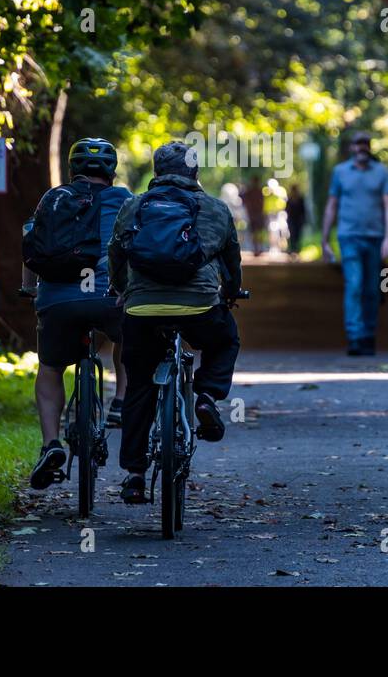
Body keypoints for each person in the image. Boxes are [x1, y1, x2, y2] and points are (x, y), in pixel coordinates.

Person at [108, 141, 243, 504]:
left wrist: (122, 290)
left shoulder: (133, 206)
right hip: (199, 307)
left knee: (138, 385)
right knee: (225, 338)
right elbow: (232, 261)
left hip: (142, 311)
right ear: (194, 172)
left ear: (156, 170)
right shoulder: (215, 208)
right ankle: (206, 396)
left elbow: (116, 254)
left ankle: (135, 474)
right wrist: (231, 293)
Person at [24, 138, 132, 490]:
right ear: (111, 171)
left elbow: (31, 242)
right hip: (108, 297)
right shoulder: (125, 200)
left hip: (58, 300)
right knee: (127, 336)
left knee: (51, 367)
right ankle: (120, 401)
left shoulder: (53, 199)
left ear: (73, 169)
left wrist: (32, 289)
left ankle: (51, 444)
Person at [321, 130, 388, 356]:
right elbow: (332, 205)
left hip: (374, 237)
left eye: (365, 143)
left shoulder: (381, 172)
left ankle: (368, 335)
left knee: (373, 289)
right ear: (351, 147)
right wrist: (325, 239)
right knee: (354, 285)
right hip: (349, 237)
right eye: (357, 143)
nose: (361, 147)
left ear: (370, 147)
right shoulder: (341, 172)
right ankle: (354, 336)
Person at [241, 174, 266, 254]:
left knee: (258, 232)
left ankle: (259, 247)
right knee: (254, 232)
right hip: (253, 215)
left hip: (257, 214)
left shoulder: (259, 191)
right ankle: (256, 248)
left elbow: (262, 203)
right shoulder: (250, 191)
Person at [284, 183, 306, 255]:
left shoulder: (300, 199)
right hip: (291, 220)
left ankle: (297, 249)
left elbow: (303, 210)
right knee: (292, 234)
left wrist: (303, 219)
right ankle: (292, 249)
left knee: (298, 235)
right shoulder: (289, 199)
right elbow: (286, 210)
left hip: (298, 220)